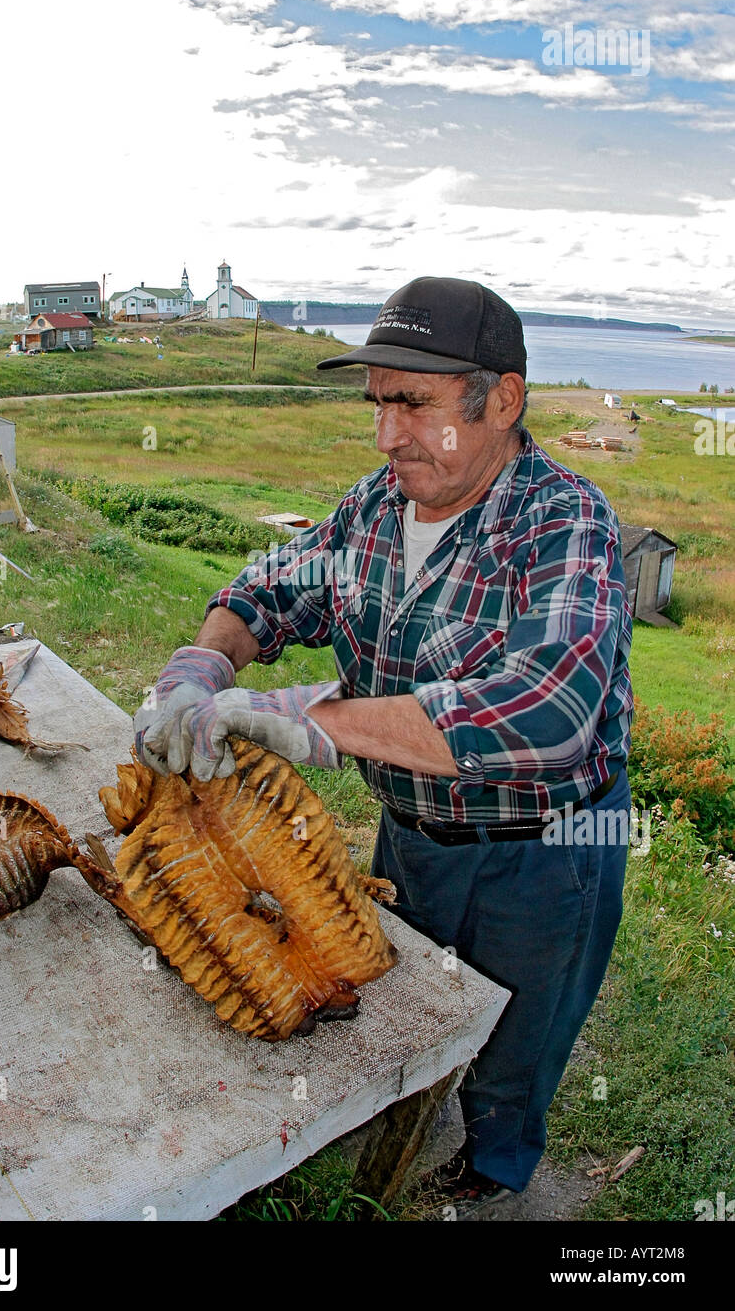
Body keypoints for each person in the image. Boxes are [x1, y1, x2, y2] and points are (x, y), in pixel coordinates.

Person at [133, 276, 634, 1210]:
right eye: (377, 403)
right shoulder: (372, 508)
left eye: (414, 404)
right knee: (411, 1005)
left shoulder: (563, 524)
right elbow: (267, 590)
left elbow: (547, 712)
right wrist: (200, 665)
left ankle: (489, 1172)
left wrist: (309, 722)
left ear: (503, 399)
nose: (386, 435)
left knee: (520, 1033)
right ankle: (403, 1120)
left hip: (548, 852)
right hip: (411, 830)